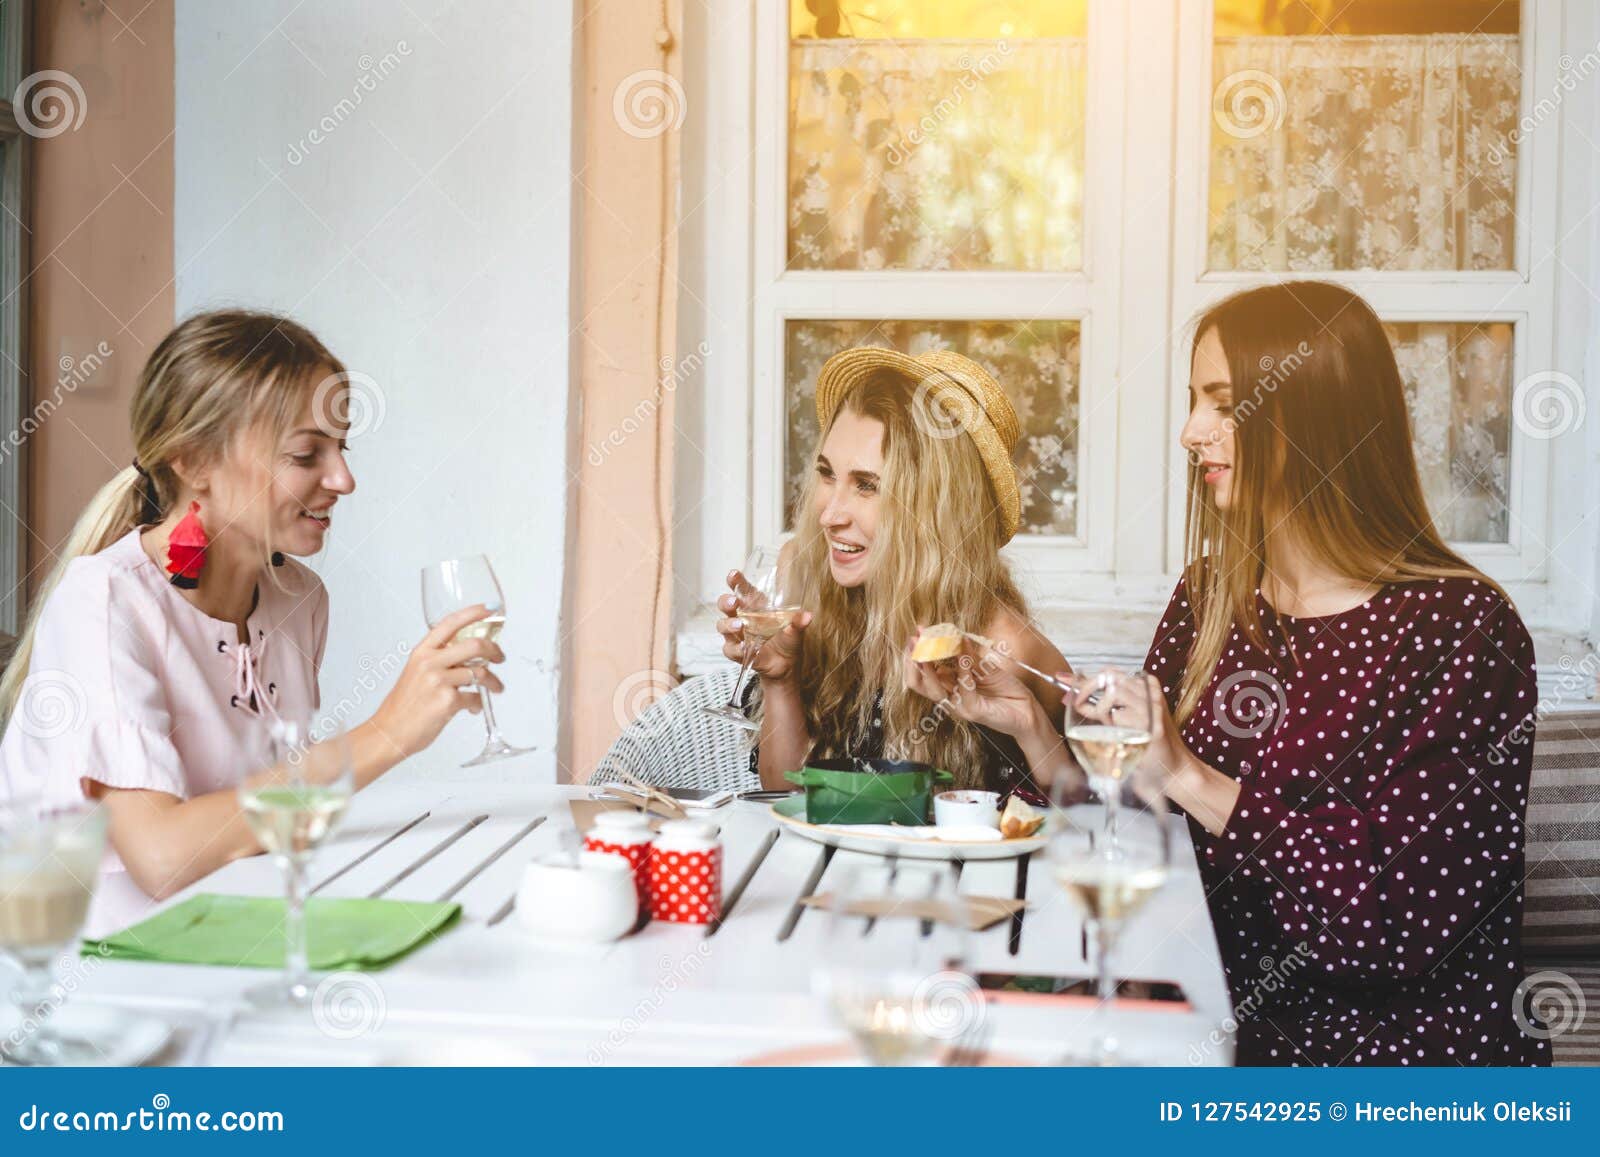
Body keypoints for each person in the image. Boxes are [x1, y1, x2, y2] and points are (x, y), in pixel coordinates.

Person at [1132, 280, 1546, 1064]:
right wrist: (1030, 725)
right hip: (1214, 1036)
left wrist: (1191, 776)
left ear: (1313, 419)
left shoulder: (1461, 629)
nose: (1191, 432)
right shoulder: (1209, 596)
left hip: (1397, 1066)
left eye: (1224, 404)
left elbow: (1399, 923)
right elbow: (1134, 822)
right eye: (1193, 401)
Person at [0, 310, 503, 935]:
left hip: (224, 933)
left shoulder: (299, 599)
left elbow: (273, 813)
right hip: (91, 962)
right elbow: (161, 858)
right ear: (193, 461)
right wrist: (388, 734)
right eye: (305, 454)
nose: (343, 479)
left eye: (341, 448)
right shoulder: (106, 601)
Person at [716, 346, 1079, 796]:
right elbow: (789, 794)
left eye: (867, 486)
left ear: (936, 510)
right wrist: (779, 679)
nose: (829, 515)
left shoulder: (1006, 647)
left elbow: (1082, 811)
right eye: (828, 474)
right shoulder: (802, 572)